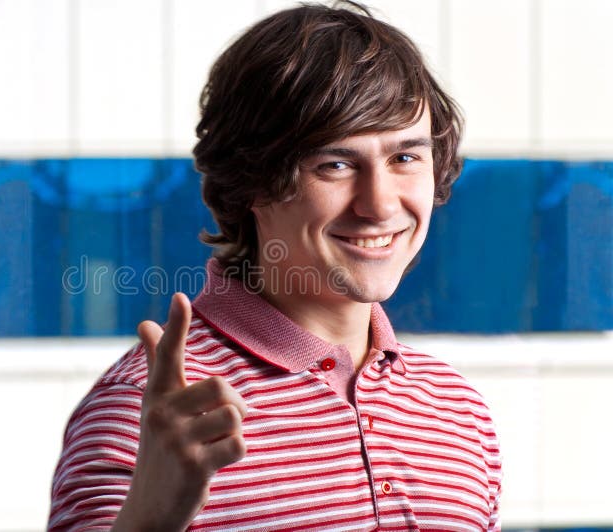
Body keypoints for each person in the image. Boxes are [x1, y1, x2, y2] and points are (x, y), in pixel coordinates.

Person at [49, 1, 502, 530]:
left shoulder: (458, 409)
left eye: (405, 157)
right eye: (335, 164)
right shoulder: (154, 414)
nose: (380, 205)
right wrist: (149, 518)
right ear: (252, 183)